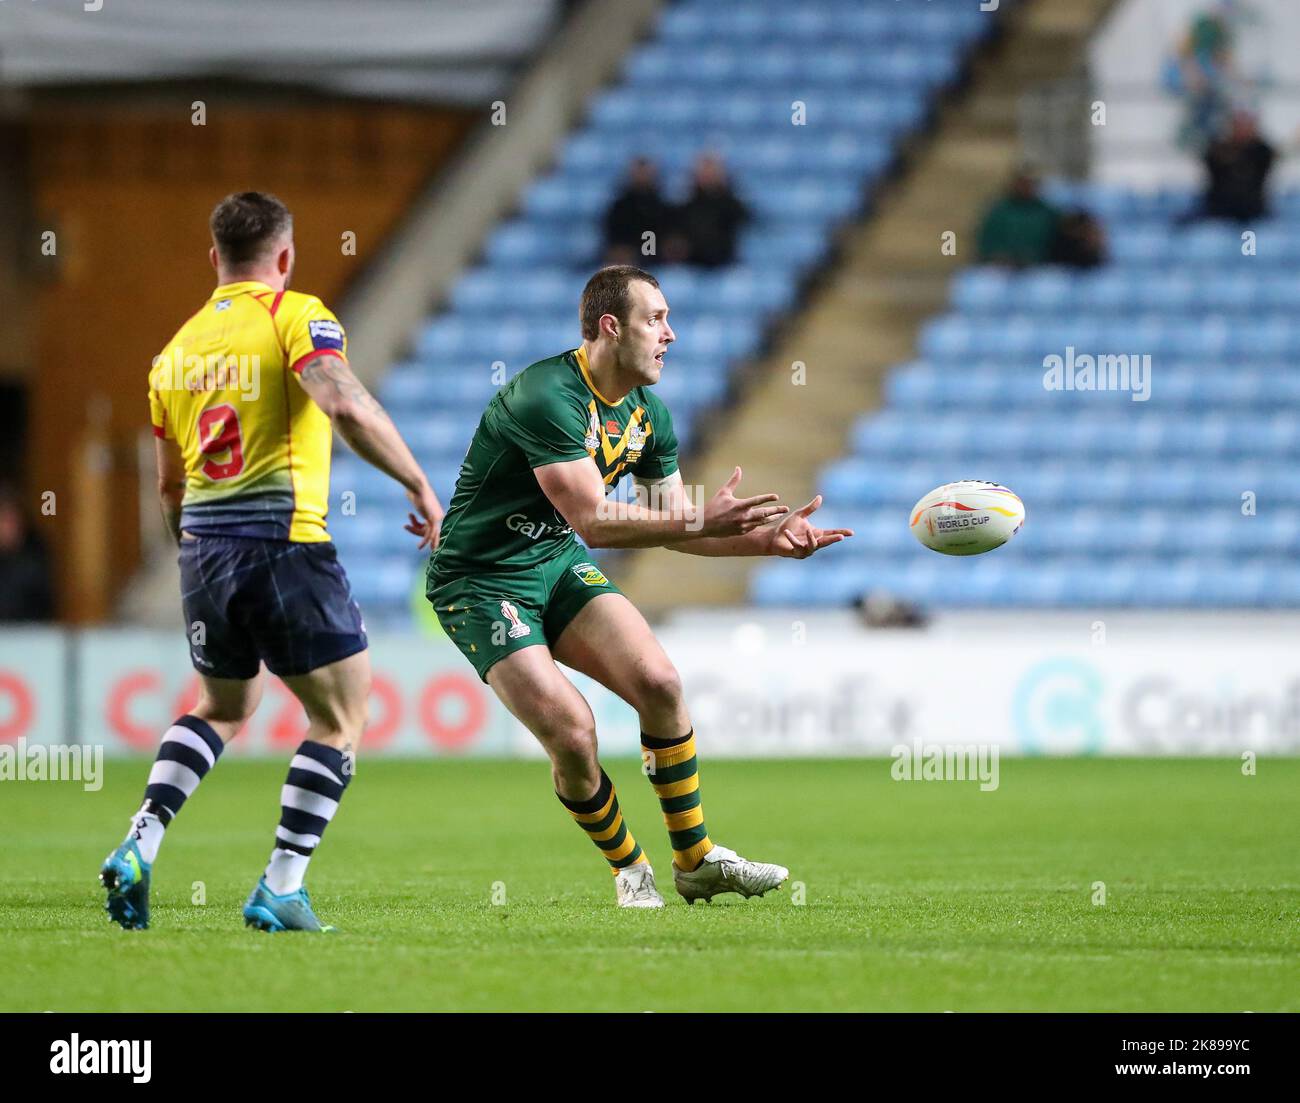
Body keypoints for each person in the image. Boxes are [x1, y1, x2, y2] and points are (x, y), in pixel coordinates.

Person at [425, 265, 852, 907]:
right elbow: (595, 520)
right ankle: (630, 866)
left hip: (553, 560)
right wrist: (698, 518)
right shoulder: (547, 395)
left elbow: (675, 526)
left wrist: (761, 541)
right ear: (610, 326)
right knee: (572, 732)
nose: (670, 335)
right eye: (656, 319)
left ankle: (697, 861)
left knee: (660, 684)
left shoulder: (649, 415)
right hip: (480, 580)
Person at [99, 191, 443, 933]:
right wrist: (416, 479)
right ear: (283, 258)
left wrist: (191, 550)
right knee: (341, 714)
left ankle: (140, 840)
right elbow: (343, 403)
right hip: (283, 540)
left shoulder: (174, 353)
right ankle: (281, 885)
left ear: (213, 259)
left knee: (224, 704)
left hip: (202, 548)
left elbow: (169, 484)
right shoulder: (295, 315)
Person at [674, 153, 750, 268]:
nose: (708, 175)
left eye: (712, 170)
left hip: (725, 264)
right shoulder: (684, 207)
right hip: (692, 265)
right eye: (704, 170)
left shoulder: (734, 206)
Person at [975, 168, 1061, 268]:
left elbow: (1056, 243)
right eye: (1022, 183)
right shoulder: (999, 211)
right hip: (999, 266)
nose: (1025, 187)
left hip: (1038, 268)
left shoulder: (1047, 213)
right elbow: (986, 240)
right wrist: (997, 256)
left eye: (1029, 184)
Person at [1201, 110, 1276, 222]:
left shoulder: (1262, 151)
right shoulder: (1218, 150)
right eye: (1239, 125)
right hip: (1219, 210)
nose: (1243, 130)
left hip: (1252, 211)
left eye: (1247, 125)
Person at [601, 157, 674, 265]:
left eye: (645, 173)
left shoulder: (663, 207)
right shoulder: (619, 207)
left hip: (657, 259)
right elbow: (613, 238)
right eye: (639, 172)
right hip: (628, 258)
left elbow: (666, 236)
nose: (642, 176)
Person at [0, 485, 54, 622]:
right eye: (5, 521)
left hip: (26, 636)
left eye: (13, 521)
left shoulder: (34, 560)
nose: (10, 527)